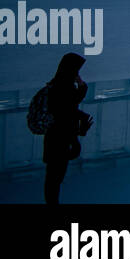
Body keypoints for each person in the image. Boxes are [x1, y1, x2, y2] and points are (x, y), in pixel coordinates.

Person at [42, 52, 91, 204]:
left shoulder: (58, 84)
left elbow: (68, 107)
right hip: (61, 138)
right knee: (55, 177)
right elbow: (68, 108)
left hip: (57, 136)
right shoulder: (63, 86)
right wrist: (82, 86)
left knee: (54, 177)